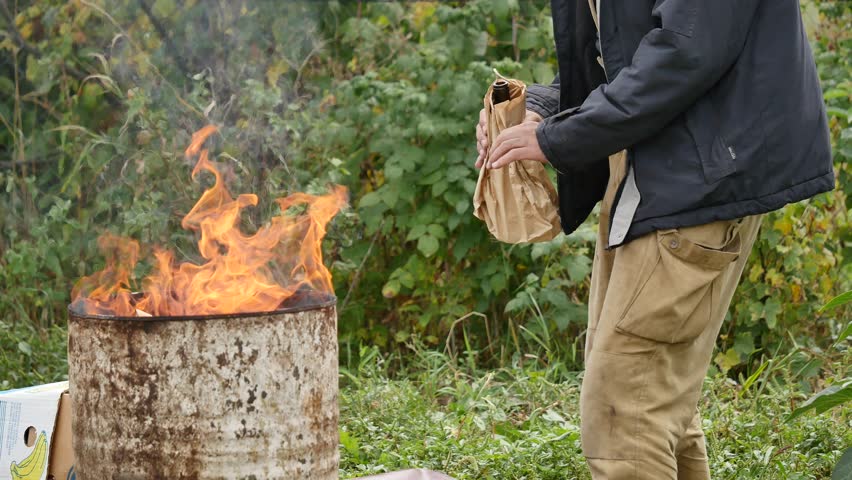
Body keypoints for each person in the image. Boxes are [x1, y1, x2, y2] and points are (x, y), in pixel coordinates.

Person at [474, 1, 834, 479]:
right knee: (648, 398)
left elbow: (684, 53)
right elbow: (631, 50)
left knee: (625, 410)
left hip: (697, 180)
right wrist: (544, 109)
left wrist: (562, 137)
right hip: (660, 173)